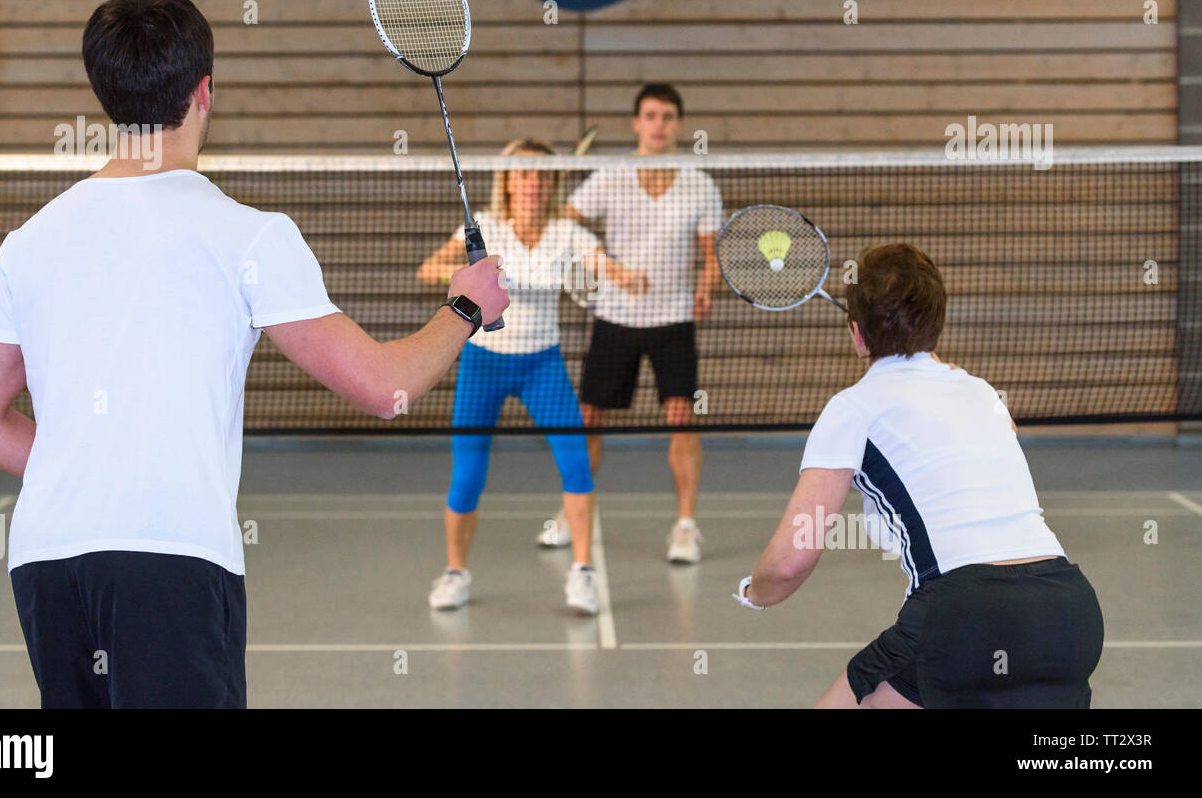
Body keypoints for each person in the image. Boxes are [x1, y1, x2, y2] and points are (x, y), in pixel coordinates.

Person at [0, 0, 508, 708]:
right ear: (204, 90)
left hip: (46, 562)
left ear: (106, 93)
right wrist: (465, 305)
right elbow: (383, 386)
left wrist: (83, 459)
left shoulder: (28, 243)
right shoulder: (248, 235)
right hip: (172, 559)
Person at [733, 243, 1104, 708]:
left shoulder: (851, 408)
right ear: (936, 323)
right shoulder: (981, 390)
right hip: (1069, 612)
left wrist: (756, 593)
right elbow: (998, 433)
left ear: (856, 335)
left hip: (964, 614)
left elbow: (791, 560)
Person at [417, 138, 644, 614]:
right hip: (483, 363)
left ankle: (582, 573)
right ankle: (455, 572)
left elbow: (606, 271)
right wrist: (469, 281)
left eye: (541, 175)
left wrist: (625, 278)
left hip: (543, 364)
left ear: (552, 183)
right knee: (467, 477)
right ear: (507, 181)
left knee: (577, 466)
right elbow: (429, 269)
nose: (532, 183)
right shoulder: (484, 230)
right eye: (522, 174)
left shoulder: (570, 235)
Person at [539, 84, 723, 562]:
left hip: (673, 319)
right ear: (636, 123)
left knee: (682, 420)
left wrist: (706, 288)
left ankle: (685, 526)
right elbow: (565, 221)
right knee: (589, 419)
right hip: (615, 317)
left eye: (666, 116)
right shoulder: (610, 176)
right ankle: (568, 511)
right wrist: (597, 262)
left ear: (679, 124)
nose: (658, 124)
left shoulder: (699, 183)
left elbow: (711, 256)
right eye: (650, 115)